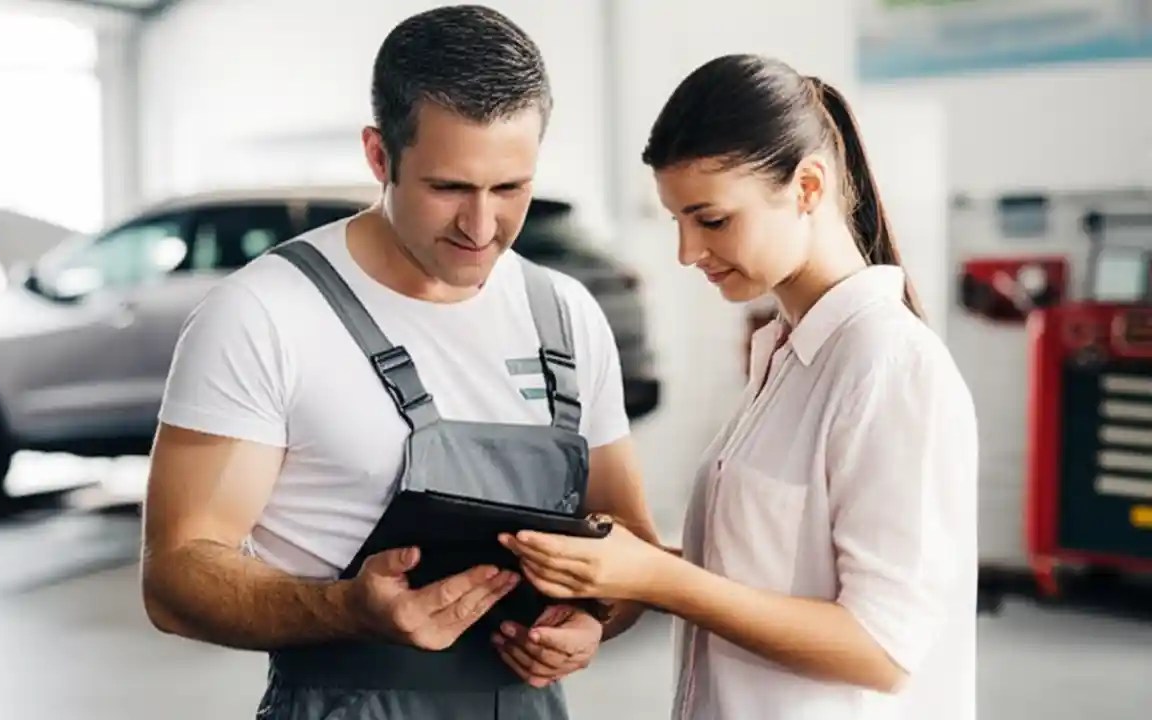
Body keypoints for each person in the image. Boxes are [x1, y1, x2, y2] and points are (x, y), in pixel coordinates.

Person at [138, 5, 658, 719]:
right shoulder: (263, 316)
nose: (481, 228)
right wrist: (345, 610)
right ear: (379, 156)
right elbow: (175, 576)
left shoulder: (564, 314)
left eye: (510, 189)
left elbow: (631, 547)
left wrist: (596, 619)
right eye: (448, 188)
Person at [502, 54, 978, 720]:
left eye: (712, 219)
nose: (687, 251)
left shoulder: (889, 365)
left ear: (808, 188)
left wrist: (657, 577)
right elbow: (759, 579)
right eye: (676, 221)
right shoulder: (788, 358)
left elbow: (882, 648)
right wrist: (610, 576)